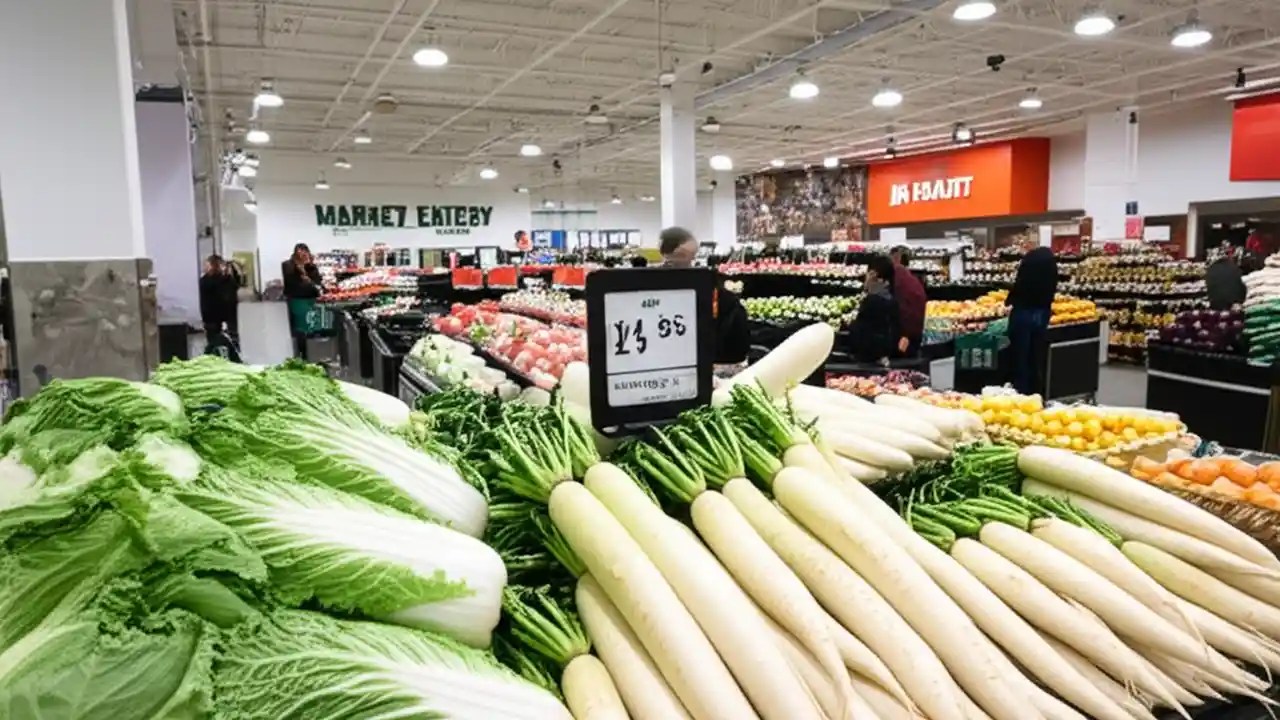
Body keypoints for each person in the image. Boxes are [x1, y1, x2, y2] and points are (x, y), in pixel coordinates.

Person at [659, 226, 750, 364]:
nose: (691, 262)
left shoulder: (699, 280)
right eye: (687, 256)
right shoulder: (697, 281)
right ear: (677, 252)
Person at [1006, 246, 1058, 394]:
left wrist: (1009, 300)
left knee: (1020, 358)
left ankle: (1021, 392)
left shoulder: (1030, 262)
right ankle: (1036, 393)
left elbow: (1020, 286)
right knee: (1036, 357)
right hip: (1042, 313)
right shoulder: (1049, 262)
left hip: (1024, 314)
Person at [843, 254, 900, 364]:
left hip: (869, 358)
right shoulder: (891, 298)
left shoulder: (872, 301)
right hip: (884, 355)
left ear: (874, 275)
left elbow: (860, 332)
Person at [283, 243, 324, 358]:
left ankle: (310, 353)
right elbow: (291, 281)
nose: (303, 256)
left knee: (311, 327)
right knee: (298, 330)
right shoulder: (287, 265)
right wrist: (300, 268)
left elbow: (317, 282)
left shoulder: (312, 267)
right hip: (295, 301)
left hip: (310, 300)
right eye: (300, 253)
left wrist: (308, 268)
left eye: (305, 253)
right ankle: (299, 354)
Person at [889, 245, 926, 357]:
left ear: (897, 258)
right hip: (915, 331)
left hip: (902, 334)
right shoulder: (913, 280)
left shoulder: (896, 276)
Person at [199, 255, 238, 348]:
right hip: (218, 316)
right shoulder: (224, 280)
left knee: (217, 340)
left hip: (216, 316)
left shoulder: (206, 281)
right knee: (221, 340)